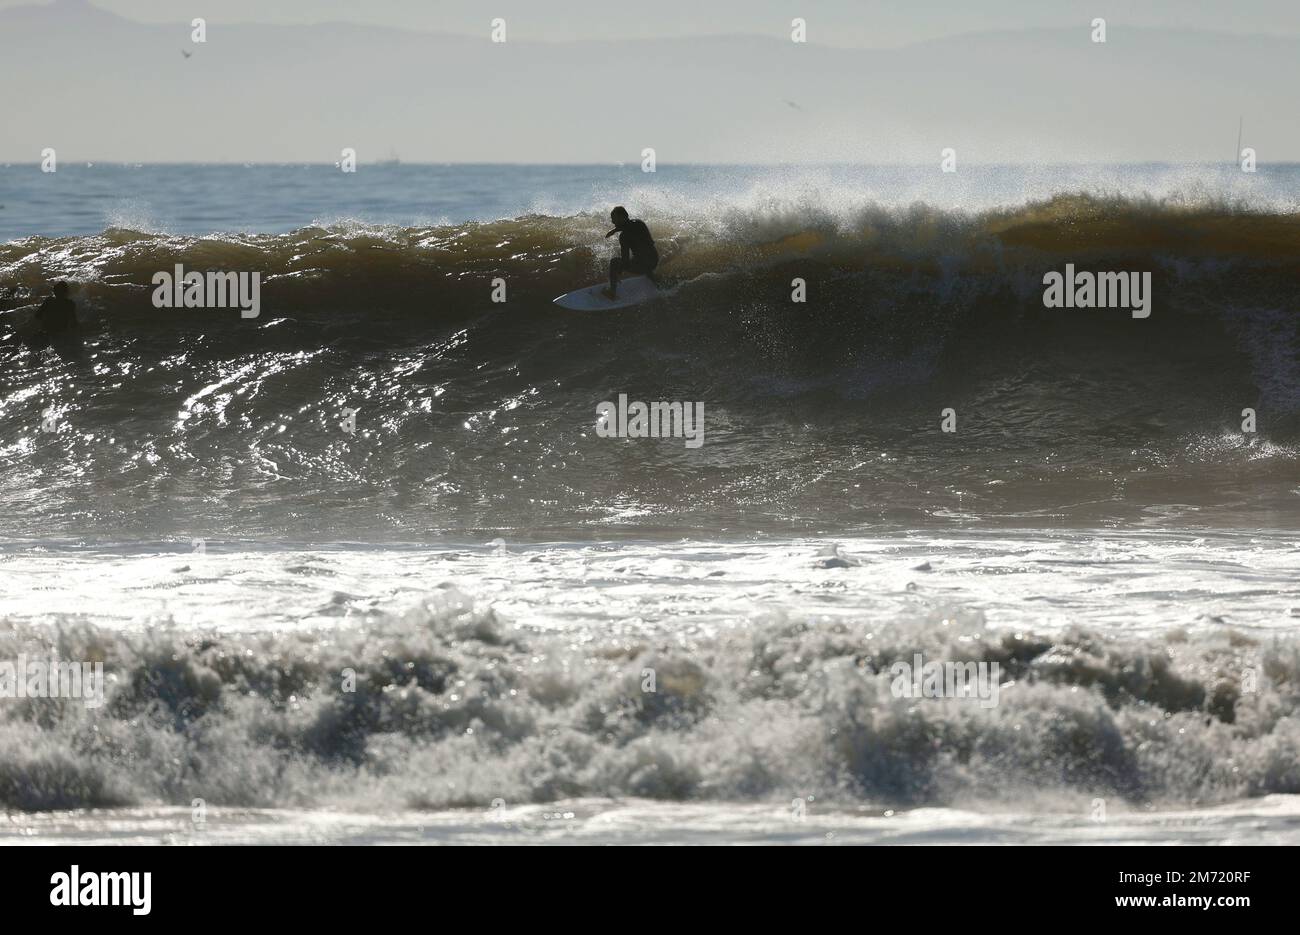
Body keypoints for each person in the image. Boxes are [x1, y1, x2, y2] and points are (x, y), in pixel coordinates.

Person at [602, 206, 658, 299]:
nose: (612, 222)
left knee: (614, 262)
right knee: (642, 255)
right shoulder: (639, 223)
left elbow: (625, 261)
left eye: (614, 219)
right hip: (654, 260)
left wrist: (618, 271)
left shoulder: (624, 236)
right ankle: (654, 279)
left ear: (622, 217)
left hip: (642, 266)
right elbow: (629, 226)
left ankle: (612, 293)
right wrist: (615, 230)